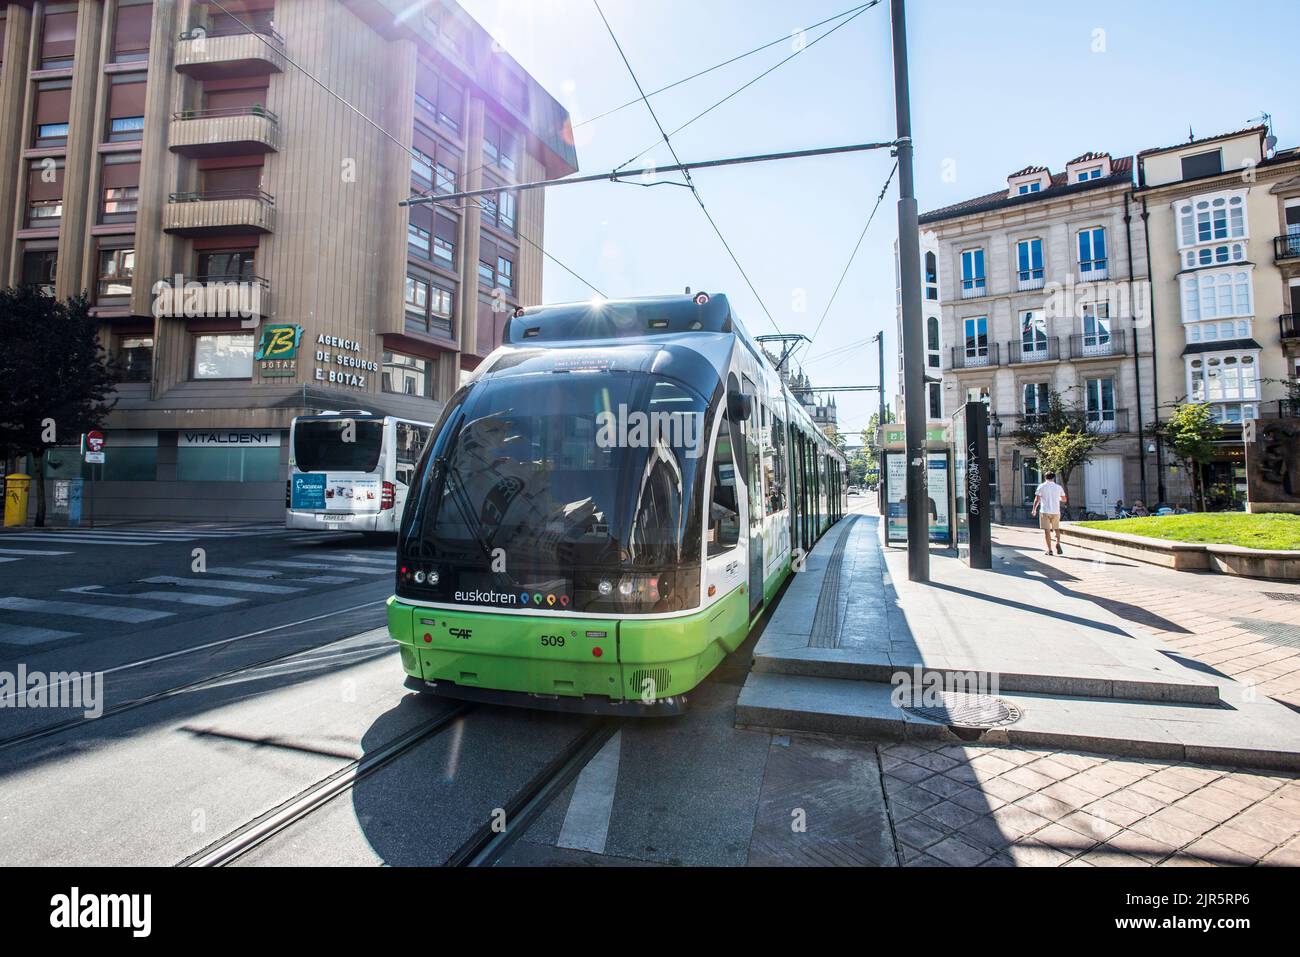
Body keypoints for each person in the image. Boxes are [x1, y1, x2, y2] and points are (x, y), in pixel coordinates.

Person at [1031, 471, 1067, 556]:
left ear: (1045, 477)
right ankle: (1057, 542)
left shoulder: (1041, 486)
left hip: (1045, 511)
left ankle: (1050, 550)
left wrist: (1034, 509)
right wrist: (1058, 498)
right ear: (1053, 478)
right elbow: (1064, 499)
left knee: (1047, 531)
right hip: (1056, 511)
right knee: (1056, 529)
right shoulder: (1058, 487)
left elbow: (1037, 499)